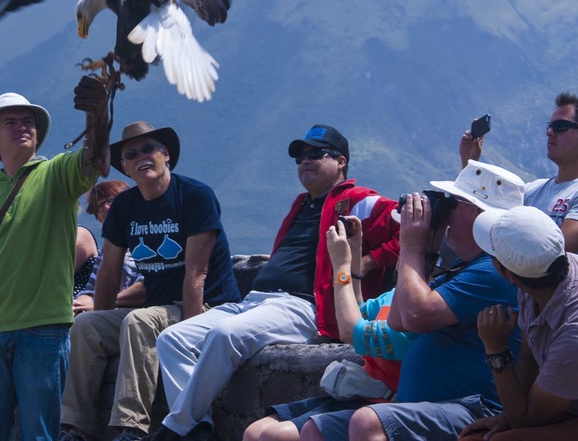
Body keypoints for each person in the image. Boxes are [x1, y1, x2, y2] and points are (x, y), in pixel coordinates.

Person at [149, 125, 399, 440]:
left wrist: (366, 261)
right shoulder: (302, 204)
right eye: (299, 157)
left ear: (341, 162)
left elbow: (411, 230)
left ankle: (175, 429)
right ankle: (199, 429)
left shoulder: (359, 201)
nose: (305, 161)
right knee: (172, 340)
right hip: (254, 300)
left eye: (316, 154)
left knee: (225, 335)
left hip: (301, 305)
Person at [289, 160, 524, 441]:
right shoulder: (462, 268)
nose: (445, 214)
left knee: (366, 423)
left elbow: (409, 317)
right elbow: (399, 320)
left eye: (453, 204)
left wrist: (412, 245)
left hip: (471, 407)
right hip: (419, 407)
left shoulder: (492, 269)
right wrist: (423, 253)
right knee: (317, 431)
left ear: (476, 213)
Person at [59, 121, 241, 441]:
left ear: (165, 154)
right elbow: (110, 272)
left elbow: (197, 272)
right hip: (158, 310)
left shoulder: (195, 196)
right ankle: (75, 427)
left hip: (206, 307)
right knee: (87, 326)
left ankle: (131, 428)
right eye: (132, 154)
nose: (141, 156)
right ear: (126, 168)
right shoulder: (125, 207)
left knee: (139, 320)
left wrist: (192, 335)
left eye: (149, 148)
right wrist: (101, 316)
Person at [0, 83, 109, 441]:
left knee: (38, 434)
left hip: (44, 329)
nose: (23, 126)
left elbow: (94, 162)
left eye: (29, 121)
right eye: (11, 122)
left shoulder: (56, 175)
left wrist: (97, 117)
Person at [459, 205, 578, 441]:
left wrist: (495, 348)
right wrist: (507, 416)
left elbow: (528, 420)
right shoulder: (544, 274)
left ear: (507, 274)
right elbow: (529, 357)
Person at [243, 217, 416, 441]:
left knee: (276, 436)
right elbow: (358, 312)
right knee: (254, 432)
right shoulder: (393, 296)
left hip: (380, 406)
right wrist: (353, 258)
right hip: (359, 394)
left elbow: (350, 331)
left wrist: (340, 268)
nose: (401, 242)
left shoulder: (417, 310)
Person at [460, 94, 578, 253]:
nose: (550, 132)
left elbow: (557, 250)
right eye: (550, 126)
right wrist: (469, 164)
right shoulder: (532, 190)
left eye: (560, 126)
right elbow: (484, 223)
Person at [73, 180, 146, 314]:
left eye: (112, 200)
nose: (106, 207)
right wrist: (78, 305)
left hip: (140, 311)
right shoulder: (106, 250)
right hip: (108, 310)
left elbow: (148, 286)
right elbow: (90, 289)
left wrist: (99, 304)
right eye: (100, 206)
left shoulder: (148, 238)